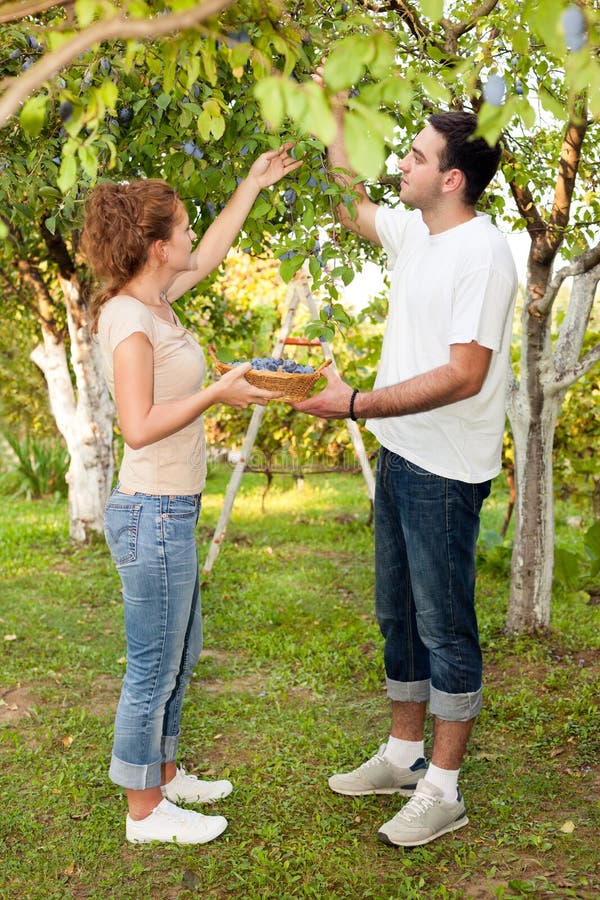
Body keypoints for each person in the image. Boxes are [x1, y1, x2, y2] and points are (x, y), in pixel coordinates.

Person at [296, 88, 517, 847]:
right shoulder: (417, 234)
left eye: (417, 157)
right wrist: (333, 116)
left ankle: (445, 791)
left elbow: (465, 373)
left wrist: (354, 402)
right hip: (402, 456)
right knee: (399, 617)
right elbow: (347, 201)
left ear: (452, 178)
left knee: (445, 625)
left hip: (446, 471)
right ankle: (401, 755)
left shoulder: (482, 252)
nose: (403, 164)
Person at [81, 144, 301, 844]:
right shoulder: (130, 320)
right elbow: (139, 427)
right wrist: (220, 390)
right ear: (155, 247)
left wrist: (253, 183)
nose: (188, 236)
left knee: (179, 651)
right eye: (180, 227)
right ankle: (143, 814)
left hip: (171, 509)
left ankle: (165, 774)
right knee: (152, 664)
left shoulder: (156, 299)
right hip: (152, 513)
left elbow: (209, 255)